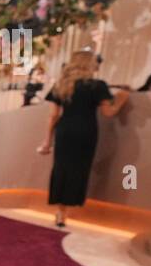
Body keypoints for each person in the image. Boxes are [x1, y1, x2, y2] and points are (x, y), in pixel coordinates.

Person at [38, 50, 130, 227]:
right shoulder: (97, 85)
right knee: (79, 168)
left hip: (65, 130)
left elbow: (53, 116)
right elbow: (109, 112)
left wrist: (47, 141)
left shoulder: (62, 85)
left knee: (61, 169)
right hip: (86, 130)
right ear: (89, 64)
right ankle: (73, 204)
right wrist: (121, 98)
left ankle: (60, 212)